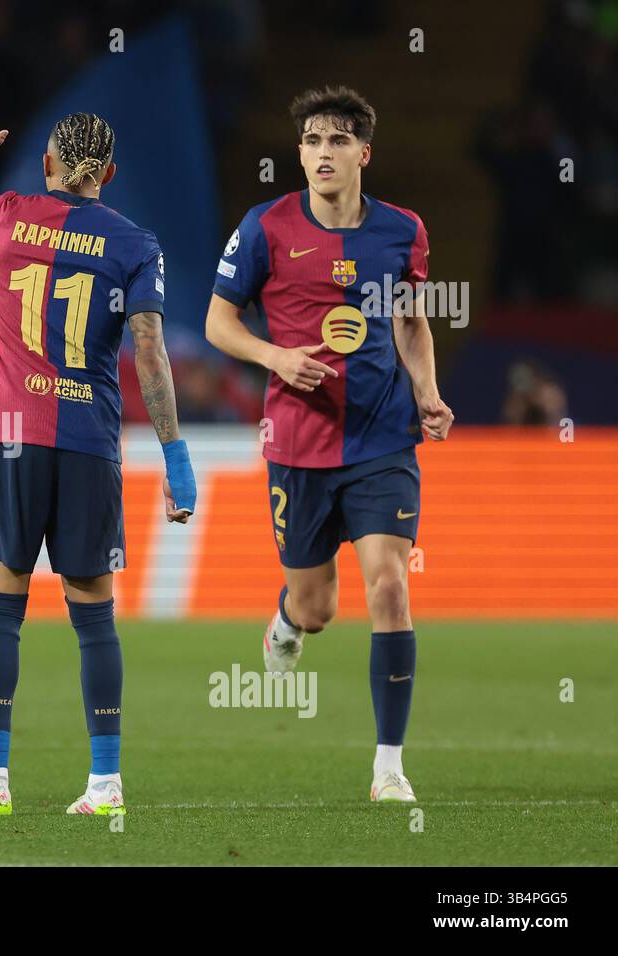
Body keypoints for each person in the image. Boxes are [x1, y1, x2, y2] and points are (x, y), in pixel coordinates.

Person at [0, 90, 197, 816]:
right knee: (93, 615)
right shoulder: (135, 243)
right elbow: (152, 352)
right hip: (89, 443)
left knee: (1, 611)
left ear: (49, 163)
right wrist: (176, 456)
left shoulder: (1, 216)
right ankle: (104, 784)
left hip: (9, 438)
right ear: (111, 172)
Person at [204, 85, 454, 802]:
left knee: (391, 589)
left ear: (363, 154)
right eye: (312, 141)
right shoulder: (264, 227)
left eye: (338, 140)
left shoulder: (403, 231)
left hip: (382, 436)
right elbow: (219, 323)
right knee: (318, 608)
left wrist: (427, 392)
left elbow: (410, 321)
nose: (322, 152)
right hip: (298, 442)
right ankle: (286, 620)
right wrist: (275, 358)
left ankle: (388, 767)